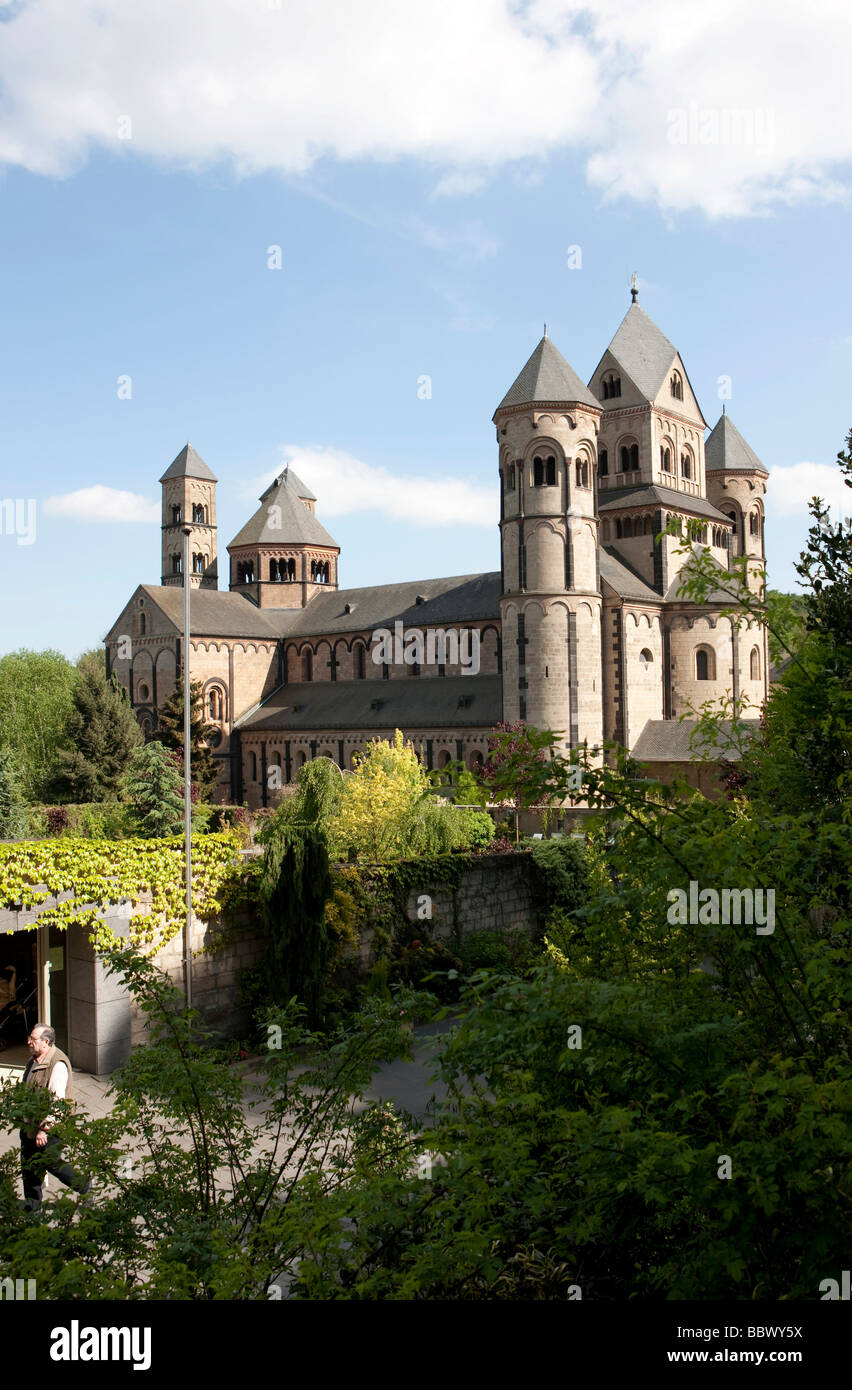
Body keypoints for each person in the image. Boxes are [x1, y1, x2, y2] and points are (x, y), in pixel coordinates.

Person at [19, 1023, 91, 1213]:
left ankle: (84, 1185)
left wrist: (44, 1129)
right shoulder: (33, 1060)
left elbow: (57, 1102)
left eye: (32, 1039)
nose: (28, 1042)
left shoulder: (57, 1064)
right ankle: (33, 1205)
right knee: (28, 1164)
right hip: (29, 1125)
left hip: (49, 1127)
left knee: (51, 1163)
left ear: (46, 1042)